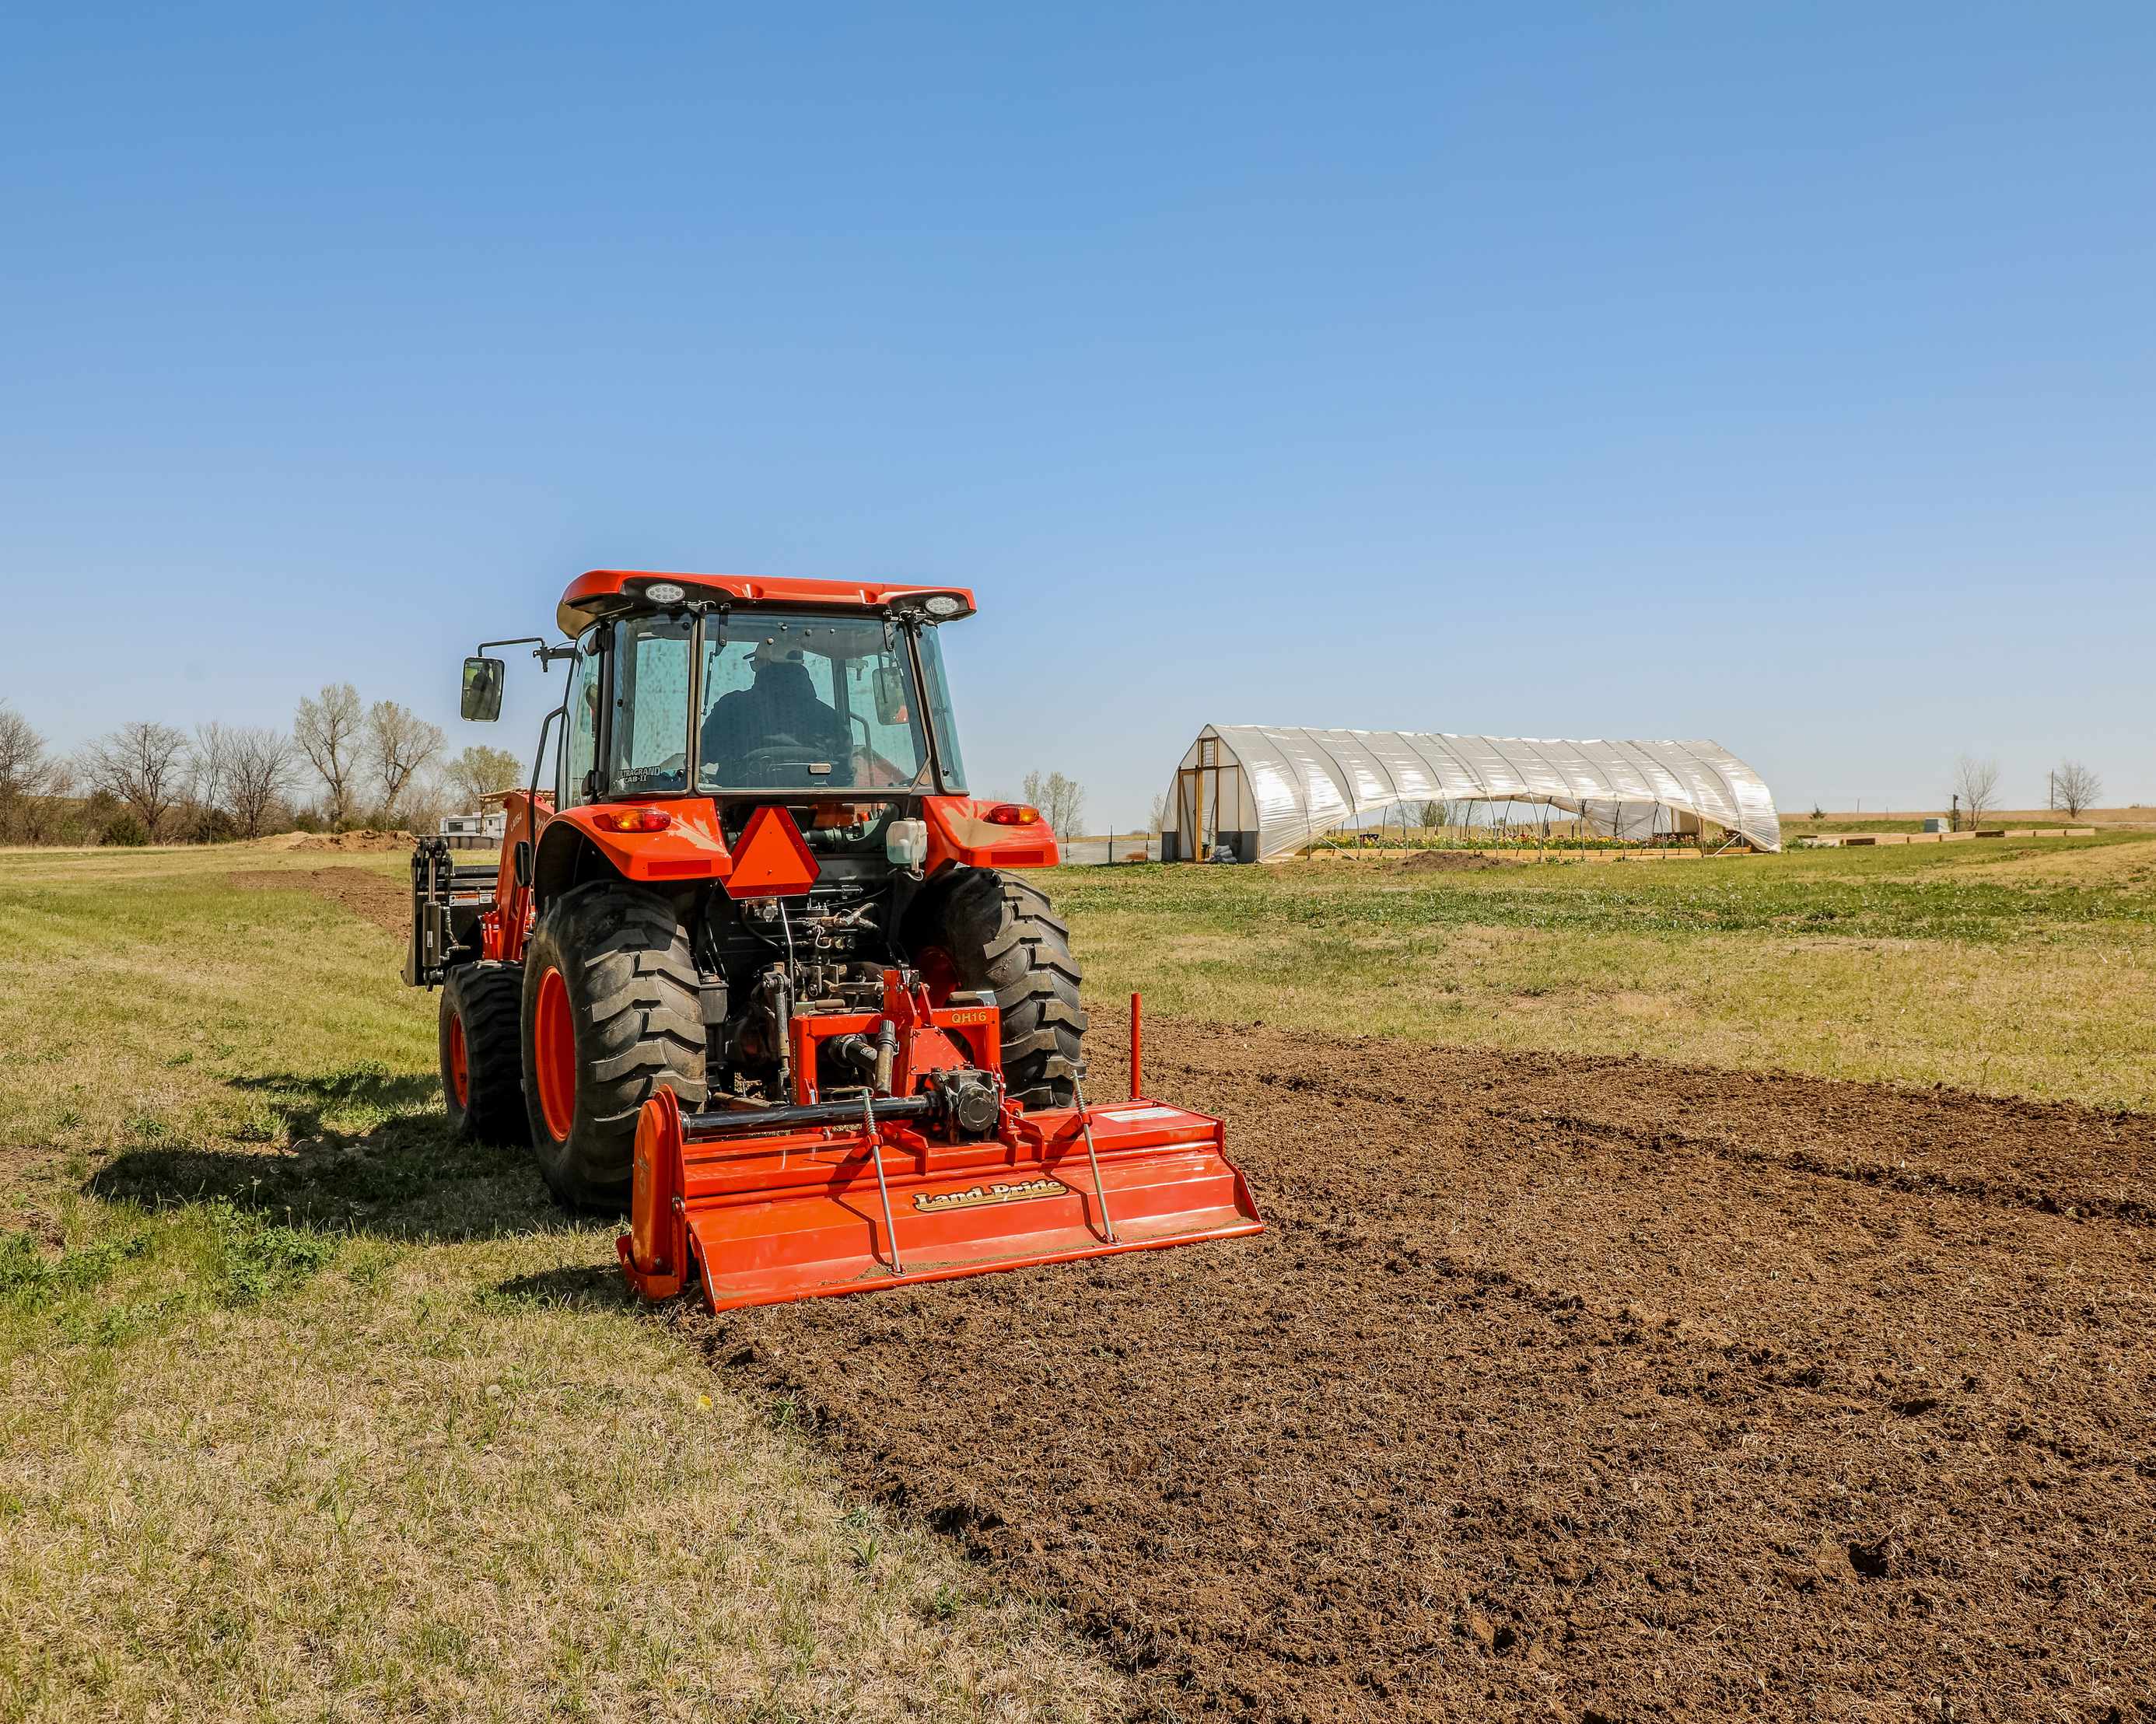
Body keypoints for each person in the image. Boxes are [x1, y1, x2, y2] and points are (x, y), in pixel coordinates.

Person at [701, 639, 851, 784]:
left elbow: (703, 753)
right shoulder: (829, 717)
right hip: (817, 805)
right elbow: (843, 773)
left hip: (737, 806)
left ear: (763, 664)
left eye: (755, 664)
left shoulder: (731, 707)